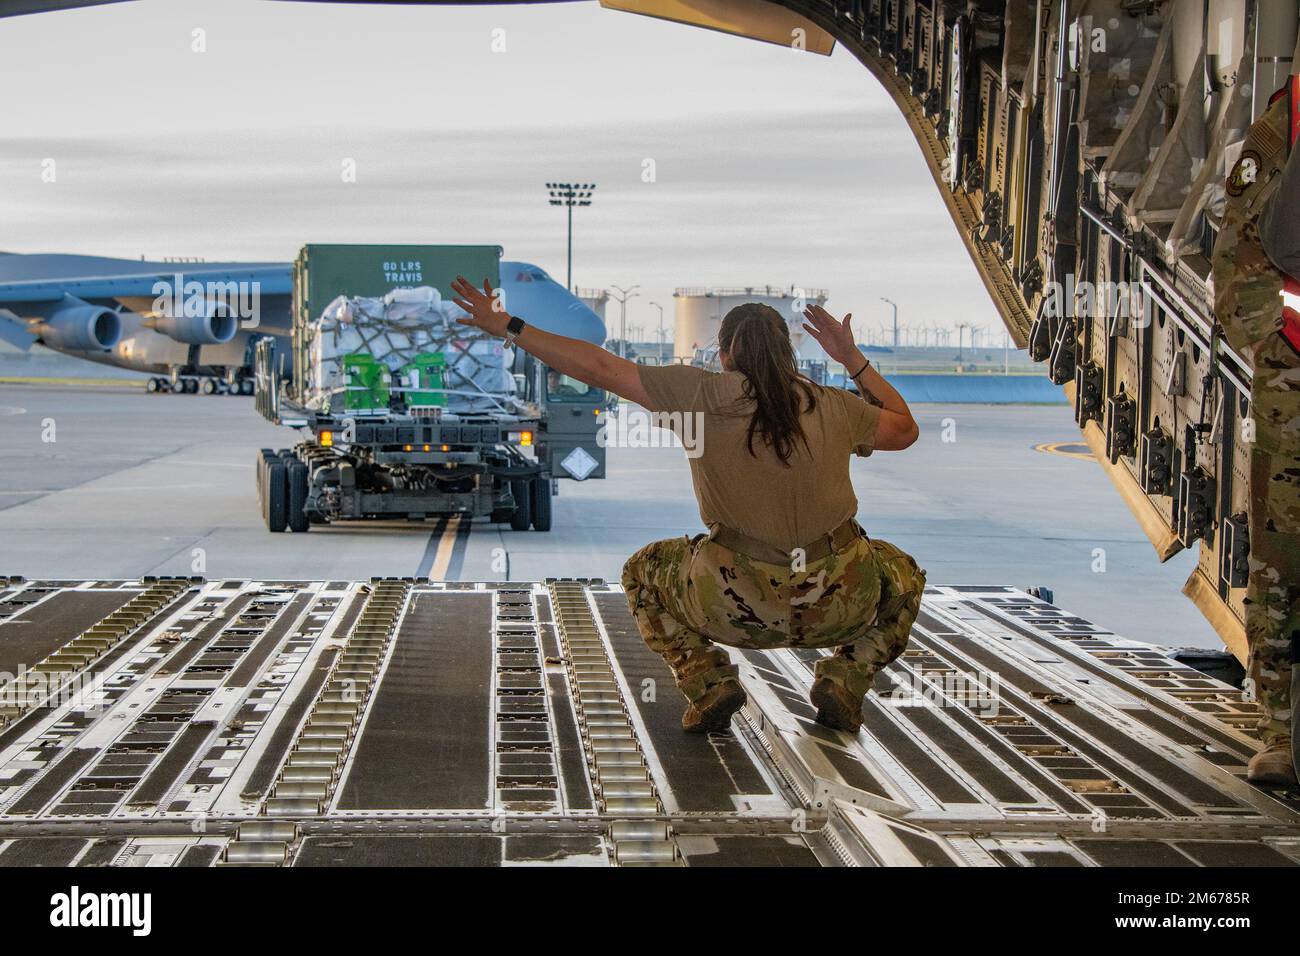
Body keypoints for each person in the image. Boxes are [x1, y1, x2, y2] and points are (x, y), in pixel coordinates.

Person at [452, 276, 925, 734]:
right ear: (790, 352)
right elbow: (904, 428)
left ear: (723, 354)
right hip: (838, 605)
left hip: (730, 605)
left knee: (643, 570)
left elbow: (596, 367)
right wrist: (851, 358)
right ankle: (846, 680)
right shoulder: (834, 404)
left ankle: (709, 682)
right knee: (903, 573)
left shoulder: (695, 394)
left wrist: (508, 326)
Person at [1211, 82, 1298, 786]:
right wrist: (1276, 351)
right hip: (1296, 381)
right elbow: (1238, 249)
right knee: (1282, 557)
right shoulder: (1288, 122)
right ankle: (1283, 732)